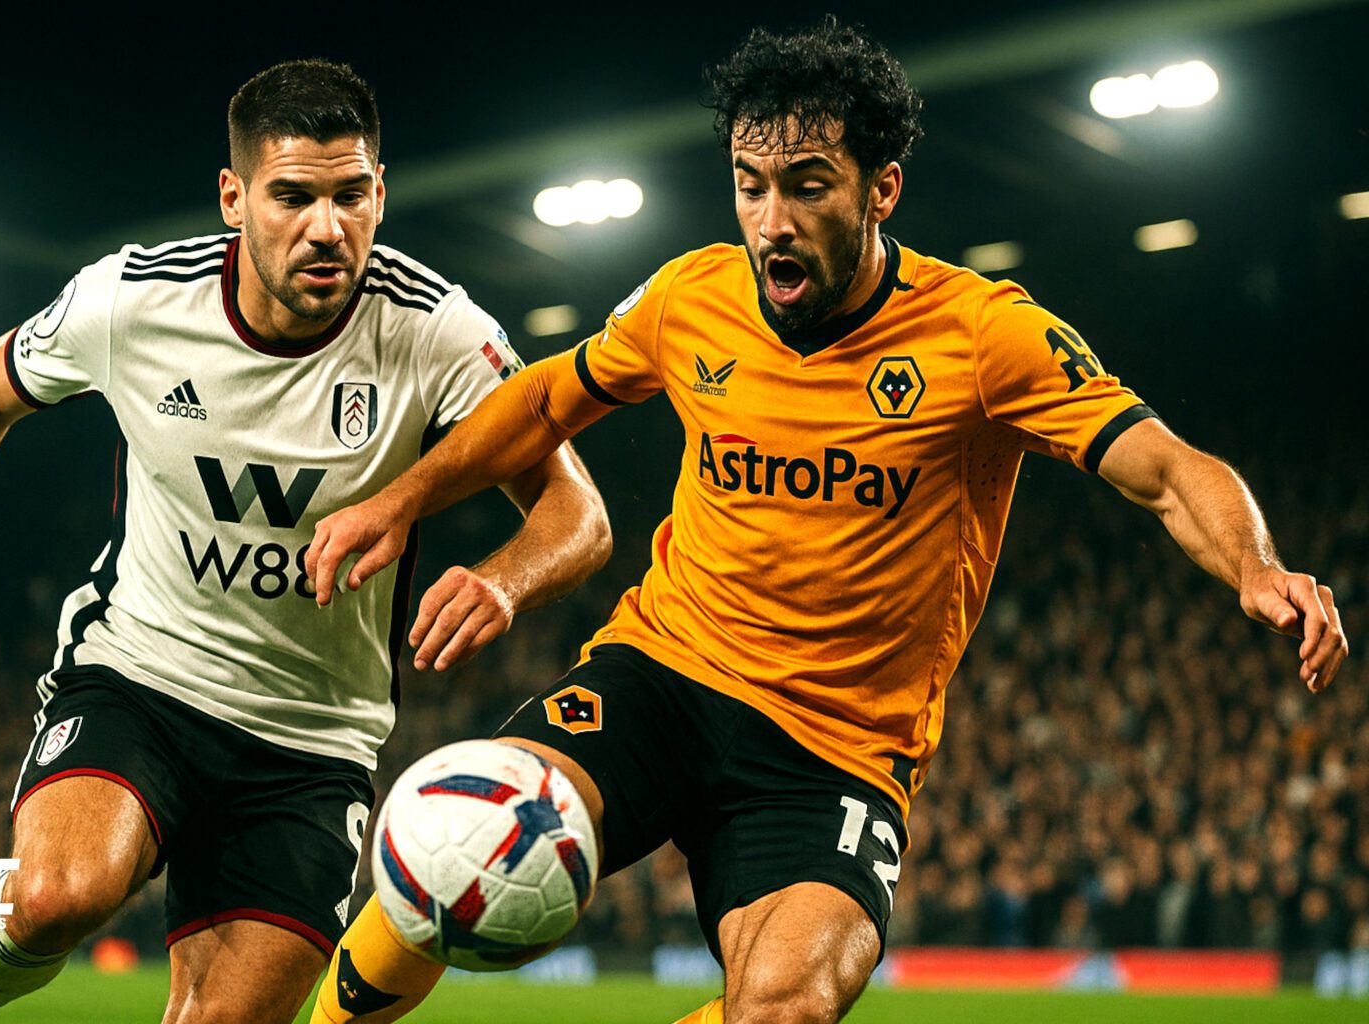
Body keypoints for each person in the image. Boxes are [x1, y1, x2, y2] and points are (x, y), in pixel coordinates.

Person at [299, 18, 1348, 1024]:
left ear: (882, 188)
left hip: (837, 747)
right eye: (751, 187)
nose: (771, 221)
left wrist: (1255, 567)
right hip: (662, 677)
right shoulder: (688, 299)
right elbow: (541, 400)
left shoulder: (985, 336)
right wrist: (403, 501)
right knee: (459, 833)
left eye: (808, 186)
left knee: (788, 1006)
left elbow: (1163, 468)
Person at [0, 59, 609, 1024]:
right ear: (234, 199)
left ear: (380, 193)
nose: (327, 228)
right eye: (293, 196)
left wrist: (500, 582)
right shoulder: (133, 301)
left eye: (351, 195)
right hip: (141, 675)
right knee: (56, 898)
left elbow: (579, 516)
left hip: (314, 740)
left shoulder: (438, 333)